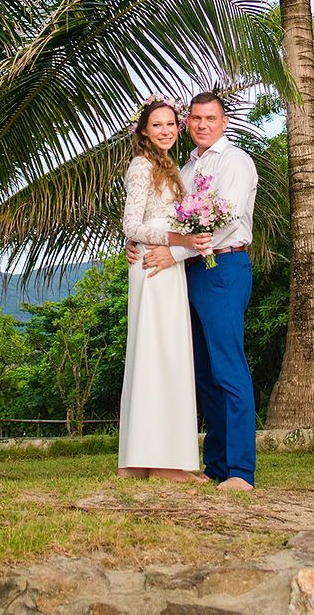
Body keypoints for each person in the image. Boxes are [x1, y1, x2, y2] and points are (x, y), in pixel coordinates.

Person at [133, 90, 259, 490]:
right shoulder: (185, 168)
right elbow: (170, 218)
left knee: (229, 368)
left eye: (211, 118)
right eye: (196, 119)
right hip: (193, 272)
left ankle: (240, 471)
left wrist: (174, 252)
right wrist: (141, 241)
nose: (202, 125)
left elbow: (227, 217)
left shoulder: (235, 162)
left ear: (224, 122)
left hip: (223, 265)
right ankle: (217, 466)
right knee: (204, 372)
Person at [117, 96, 212, 481]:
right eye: (157, 125)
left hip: (164, 265)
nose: (166, 131)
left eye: (171, 124)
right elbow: (131, 225)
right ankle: (163, 466)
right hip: (154, 269)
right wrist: (181, 240)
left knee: (161, 355)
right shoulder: (142, 166)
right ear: (143, 131)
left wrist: (178, 241)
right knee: (157, 356)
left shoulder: (169, 167)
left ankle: (138, 463)